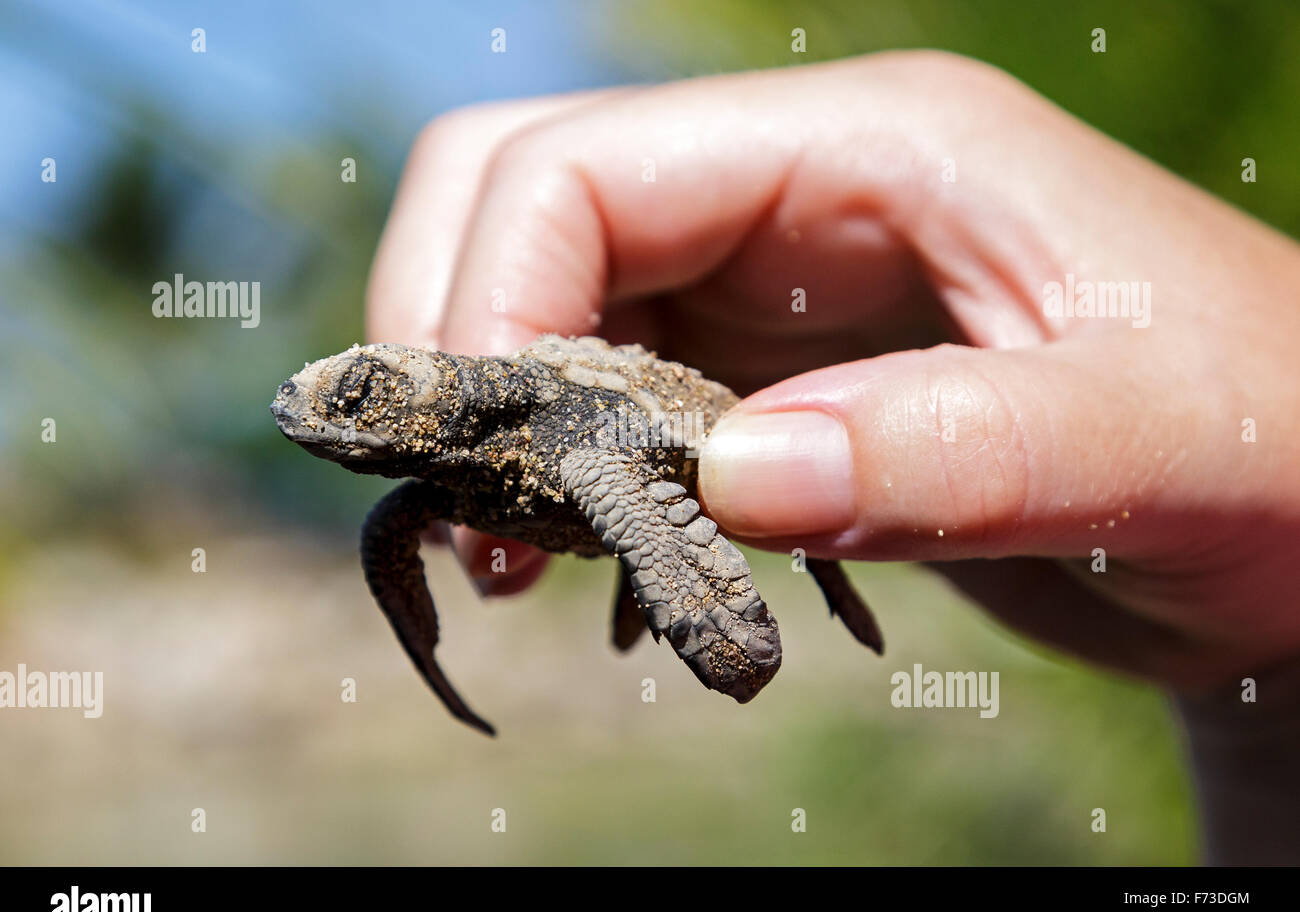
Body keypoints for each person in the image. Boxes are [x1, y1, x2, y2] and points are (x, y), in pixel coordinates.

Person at [364, 52, 1300, 864]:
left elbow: (736, 644)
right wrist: (1266, 698)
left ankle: (812, 579)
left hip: (661, 430)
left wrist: (723, 626)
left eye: (358, 392)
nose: (311, 412)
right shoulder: (431, 489)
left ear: (429, 392)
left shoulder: (561, 427)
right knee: (393, 536)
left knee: (673, 550)